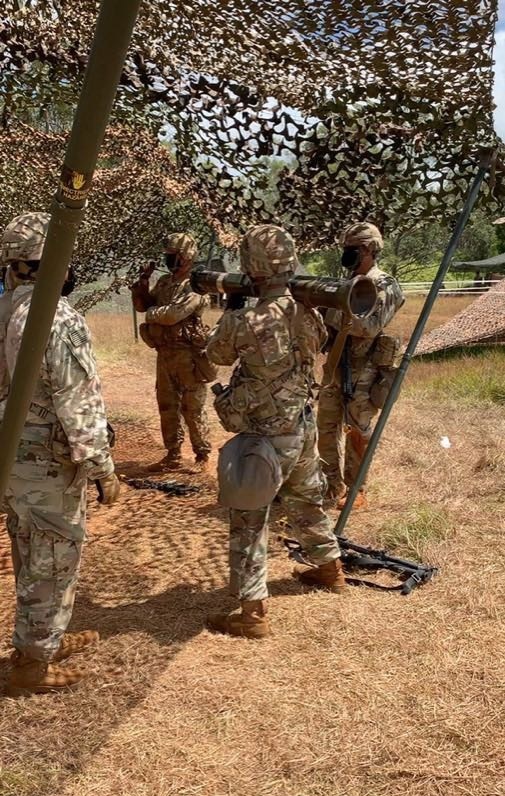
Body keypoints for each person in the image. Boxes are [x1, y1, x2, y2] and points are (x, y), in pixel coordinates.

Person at [0, 212, 121, 695]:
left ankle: (40, 640)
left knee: (31, 551)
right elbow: (78, 402)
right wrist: (102, 468)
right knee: (53, 557)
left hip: (13, 459)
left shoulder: (5, 309)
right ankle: (33, 665)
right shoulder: (57, 317)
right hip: (48, 465)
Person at [205, 224, 345, 640]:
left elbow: (215, 355)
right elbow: (316, 344)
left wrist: (231, 310)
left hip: (262, 436)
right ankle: (328, 568)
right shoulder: (308, 312)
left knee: (249, 517)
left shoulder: (244, 320)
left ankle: (251, 613)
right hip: (300, 427)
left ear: (252, 267)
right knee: (307, 499)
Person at [317, 222, 404, 510]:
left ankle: (357, 490)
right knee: (326, 427)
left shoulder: (385, 284)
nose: (347, 254)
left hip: (365, 369)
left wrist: (329, 311)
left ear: (369, 250)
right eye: (345, 248)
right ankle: (330, 485)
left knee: (358, 430)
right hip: (337, 363)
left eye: (352, 249)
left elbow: (368, 326)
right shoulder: (345, 283)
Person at [132, 233, 213, 472]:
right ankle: (173, 453)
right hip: (165, 353)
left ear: (186, 256)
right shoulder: (166, 282)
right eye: (168, 256)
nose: (169, 260)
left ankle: (202, 456)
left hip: (188, 356)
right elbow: (143, 306)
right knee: (167, 405)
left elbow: (172, 315)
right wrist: (142, 286)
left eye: (173, 256)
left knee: (192, 406)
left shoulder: (196, 285)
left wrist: (152, 313)